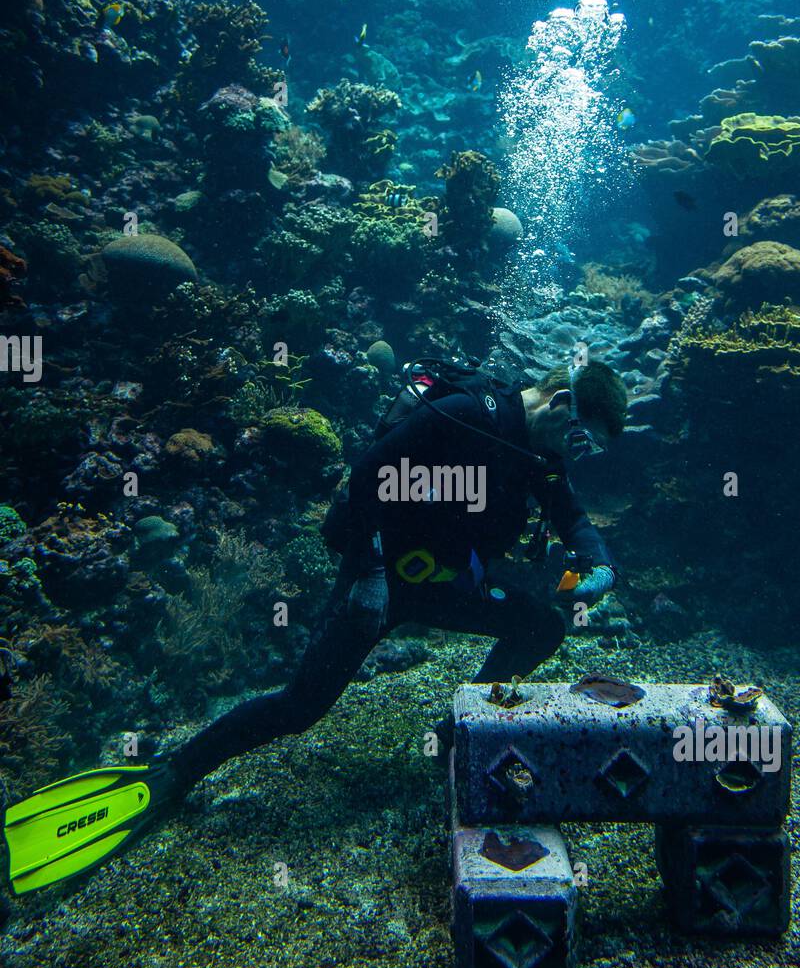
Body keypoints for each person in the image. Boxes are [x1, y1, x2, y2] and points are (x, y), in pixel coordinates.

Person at [2, 356, 627, 895]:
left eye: (591, 449)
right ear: (561, 403)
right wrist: (370, 571)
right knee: (302, 705)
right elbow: (369, 476)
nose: (577, 454)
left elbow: (572, 515)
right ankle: (173, 773)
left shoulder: (538, 455)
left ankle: (459, 739)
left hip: (440, 587)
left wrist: (598, 562)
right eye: (581, 438)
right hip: (380, 577)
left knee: (541, 626)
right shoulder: (468, 413)